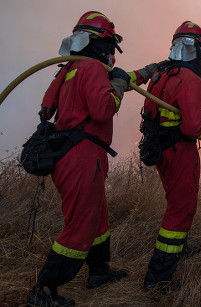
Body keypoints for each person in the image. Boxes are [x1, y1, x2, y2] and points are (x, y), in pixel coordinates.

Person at [27, 11, 131, 307]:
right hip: (82, 157)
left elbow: (47, 108)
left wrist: (135, 75)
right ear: (101, 43)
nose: (111, 53)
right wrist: (119, 87)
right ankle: (44, 290)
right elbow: (103, 109)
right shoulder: (93, 68)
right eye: (110, 45)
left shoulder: (67, 70)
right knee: (80, 226)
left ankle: (99, 272)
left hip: (68, 152)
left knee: (97, 215)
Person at [134, 21, 201, 292]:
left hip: (161, 148)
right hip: (179, 151)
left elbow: (169, 108)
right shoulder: (192, 79)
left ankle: (177, 249)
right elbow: (192, 128)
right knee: (181, 209)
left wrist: (199, 110)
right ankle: (157, 279)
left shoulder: (162, 73)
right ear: (198, 48)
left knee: (176, 202)